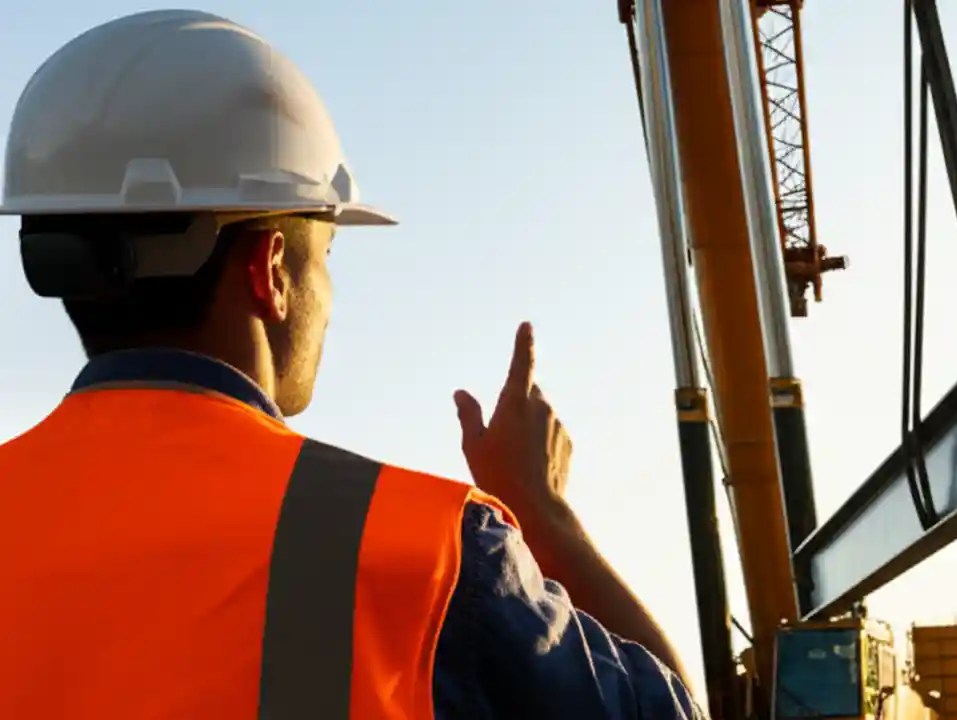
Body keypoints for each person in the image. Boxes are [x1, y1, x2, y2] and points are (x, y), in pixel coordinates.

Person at [0, 9, 703, 720]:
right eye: (325, 256)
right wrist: (545, 516)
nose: (329, 299)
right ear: (271, 271)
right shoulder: (428, 552)